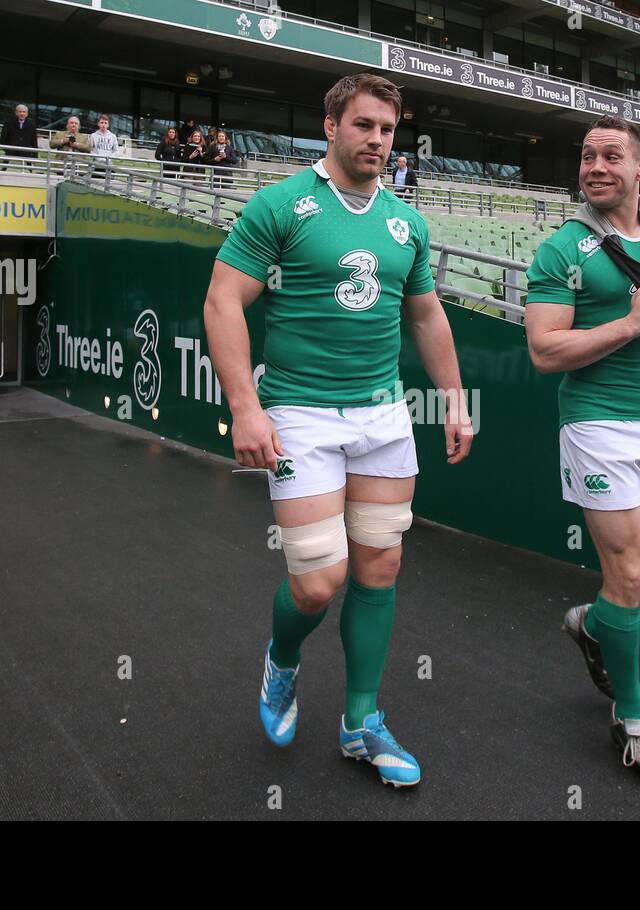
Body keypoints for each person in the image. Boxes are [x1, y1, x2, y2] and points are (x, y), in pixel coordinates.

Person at [202, 72, 474, 789]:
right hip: (300, 414)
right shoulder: (283, 204)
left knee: (380, 567)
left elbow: (425, 315)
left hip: (383, 417)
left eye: (387, 130)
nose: (377, 140)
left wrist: (452, 396)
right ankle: (282, 663)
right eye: (364, 126)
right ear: (331, 126)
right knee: (320, 580)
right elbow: (224, 299)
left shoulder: (407, 222)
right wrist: (245, 407)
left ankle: (361, 723)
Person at [524, 115, 640, 787]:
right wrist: (629, 323)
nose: (595, 166)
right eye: (586, 156)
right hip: (596, 423)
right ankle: (634, 728)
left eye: (610, 156)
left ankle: (595, 622)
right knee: (630, 572)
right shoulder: (560, 250)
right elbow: (545, 351)